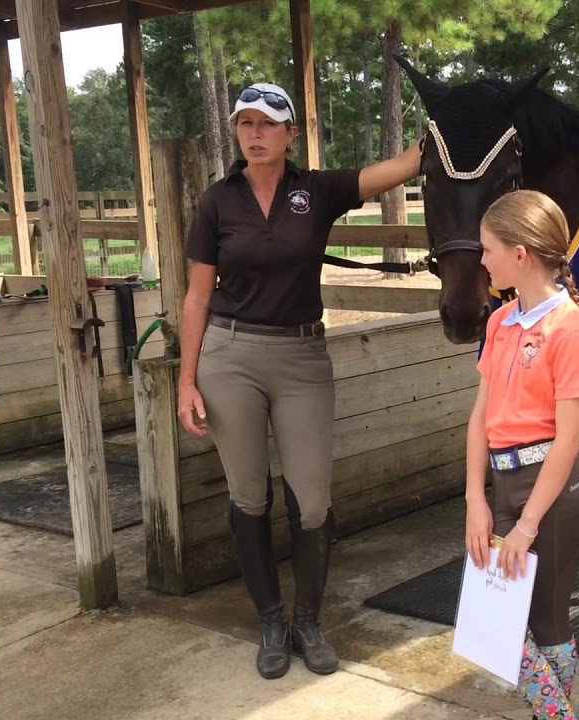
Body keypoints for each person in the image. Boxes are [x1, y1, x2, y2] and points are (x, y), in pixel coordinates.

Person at [177, 82, 421, 680]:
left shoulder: (317, 190)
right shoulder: (216, 203)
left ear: (290, 133)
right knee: (248, 495)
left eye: (266, 124)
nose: (254, 134)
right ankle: (270, 620)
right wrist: (186, 379)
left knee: (312, 501)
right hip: (229, 356)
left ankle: (307, 620)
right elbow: (195, 298)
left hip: (302, 358)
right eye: (244, 124)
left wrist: (441, 129)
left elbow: (399, 167)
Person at [464, 189, 579, 720]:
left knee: (546, 623)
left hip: (555, 492)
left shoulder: (569, 328)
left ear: (520, 255)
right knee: (491, 623)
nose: (481, 260)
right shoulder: (499, 323)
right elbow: (480, 417)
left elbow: (569, 439)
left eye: (487, 248)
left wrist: (527, 525)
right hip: (501, 487)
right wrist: (476, 499)